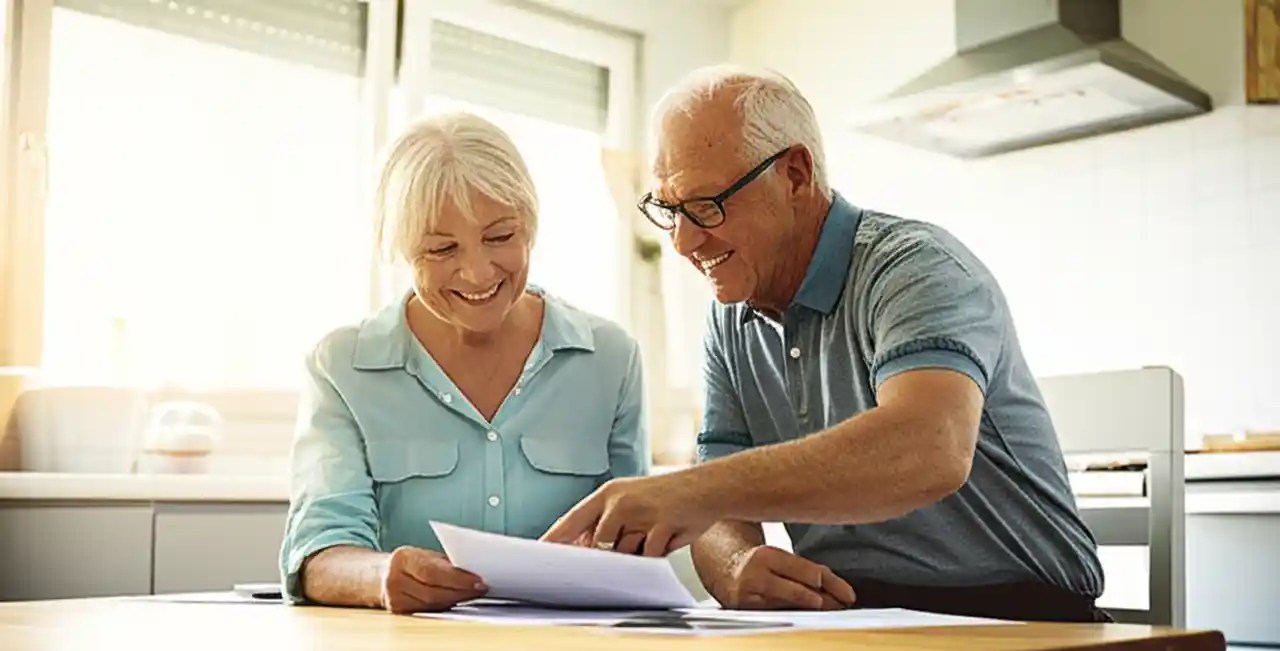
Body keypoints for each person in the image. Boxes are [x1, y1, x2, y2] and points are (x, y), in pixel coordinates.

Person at [543, 66, 1105, 622]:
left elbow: (929, 448)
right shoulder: (731, 317)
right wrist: (736, 565)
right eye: (670, 210)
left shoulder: (914, 267)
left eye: (708, 204)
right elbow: (720, 503)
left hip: (1020, 617)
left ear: (793, 174)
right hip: (854, 616)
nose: (685, 241)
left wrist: (694, 491)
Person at [280, 112, 648, 613]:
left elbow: (637, 543)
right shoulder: (341, 366)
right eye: (441, 248)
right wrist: (379, 577)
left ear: (530, 227)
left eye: (499, 237)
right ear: (403, 250)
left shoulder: (610, 360)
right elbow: (319, 550)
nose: (476, 272)